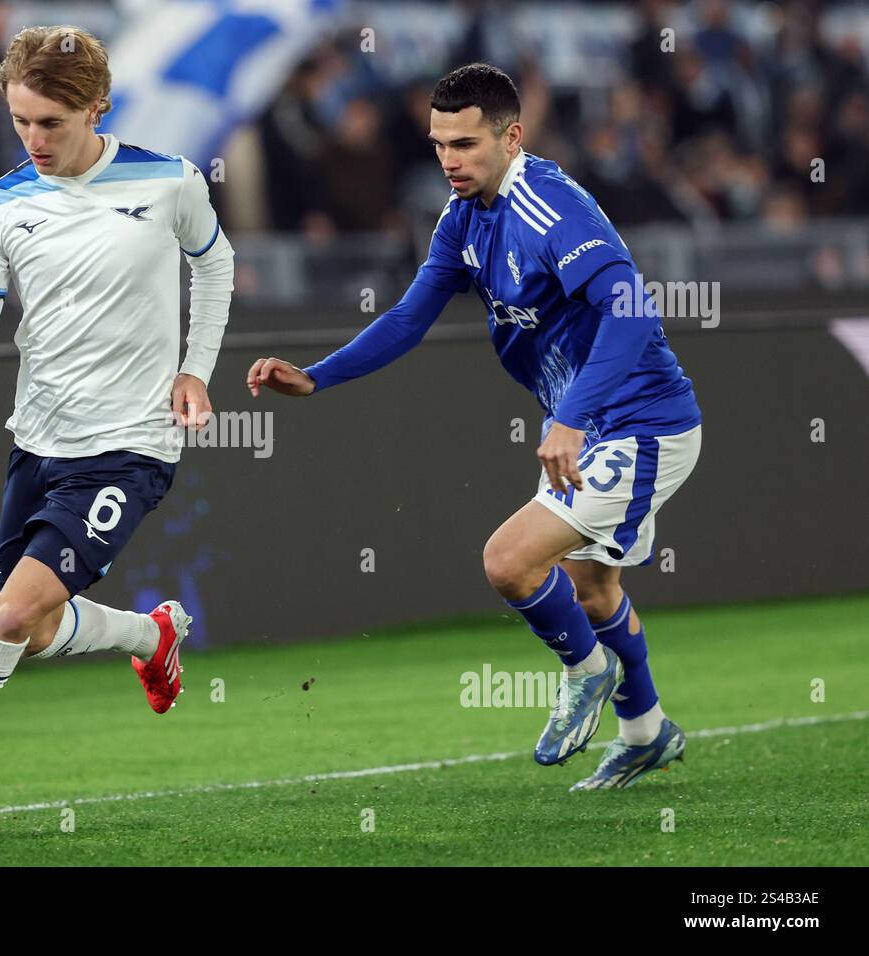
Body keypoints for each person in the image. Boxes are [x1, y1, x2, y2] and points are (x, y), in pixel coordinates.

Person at [247, 63, 701, 791]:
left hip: (641, 425)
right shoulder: (463, 219)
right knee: (591, 590)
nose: (449, 160)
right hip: (590, 426)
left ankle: (587, 672)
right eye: (438, 145)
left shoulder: (552, 207)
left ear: (511, 136)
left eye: (465, 143)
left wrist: (573, 418)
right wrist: (317, 375)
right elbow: (407, 318)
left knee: (509, 562)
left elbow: (633, 308)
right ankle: (647, 733)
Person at [0, 25, 234, 767]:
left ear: (98, 107)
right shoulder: (0, 206)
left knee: (8, 615)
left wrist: (197, 369)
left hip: (130, 446)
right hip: (38, 443)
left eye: (51, 122)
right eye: (21, 120)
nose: (34, 137)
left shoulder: (170, 180)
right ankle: (151, 635)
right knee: (31, 627)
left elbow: (215, 267)